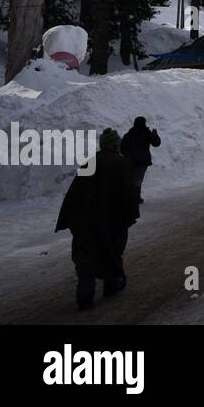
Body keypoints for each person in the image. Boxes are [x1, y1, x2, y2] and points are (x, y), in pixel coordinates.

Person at [55, 128, 139, 310]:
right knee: (111, 251)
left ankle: (85, 295)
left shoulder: (89, 163)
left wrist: (69, 218)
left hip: (86, 220)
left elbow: (74, 192)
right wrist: (131, 215)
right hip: (112, 220)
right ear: (116, 145)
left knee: (86, 257)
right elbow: (129, 194)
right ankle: (111, 286)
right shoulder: (122, 164)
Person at [119, 116, 161, 204]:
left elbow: (122, 148)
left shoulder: (129, 134)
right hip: (142, 161)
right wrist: (155, 136)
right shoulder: (146, 132)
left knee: (131, 180)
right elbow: (156, 143)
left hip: (131, 161)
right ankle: (135, 198)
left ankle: (131, 197)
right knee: (137, 180)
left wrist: (126, 156)